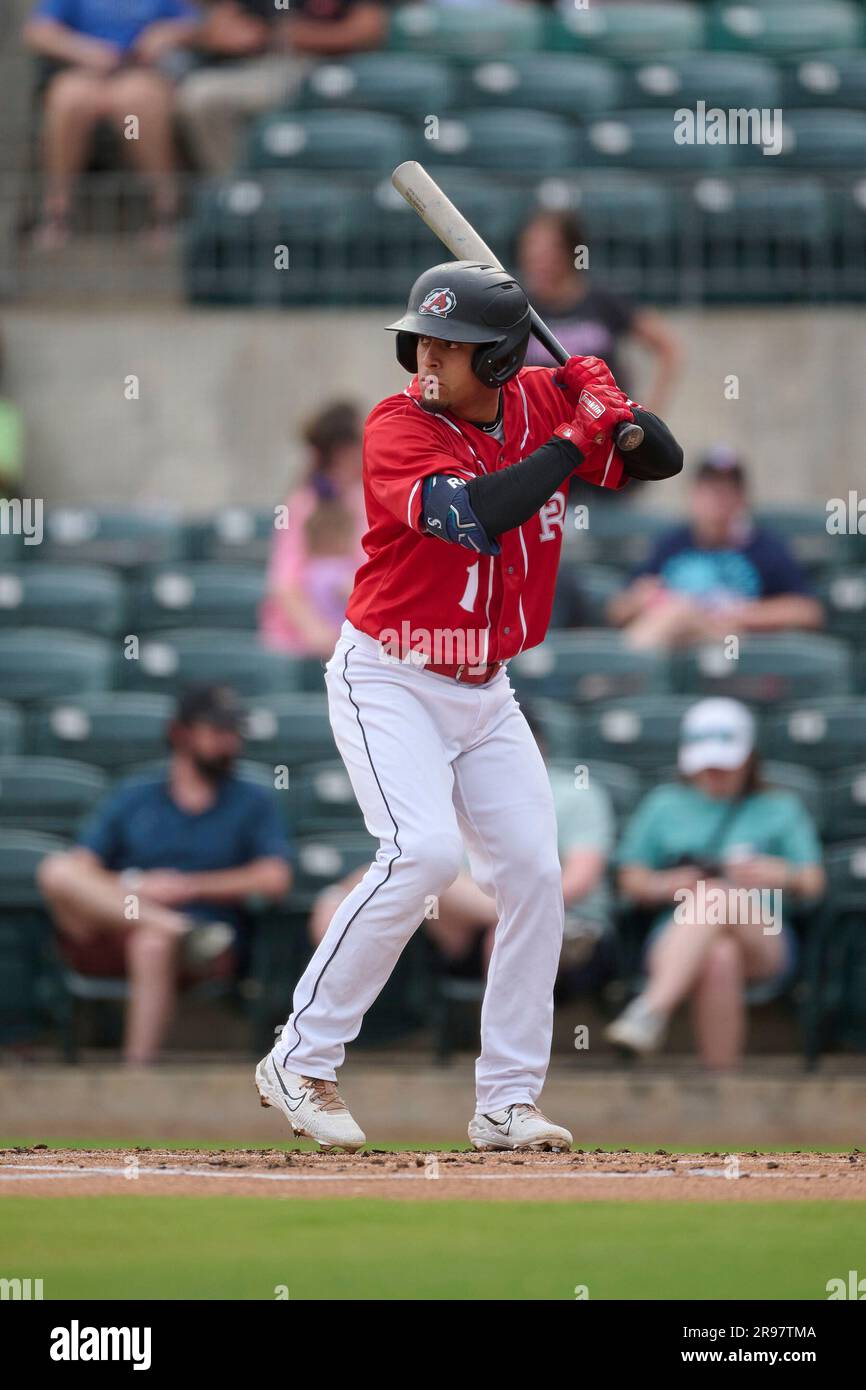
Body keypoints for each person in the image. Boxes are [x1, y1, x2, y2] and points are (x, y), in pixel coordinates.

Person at [255, 258, 682, 1152]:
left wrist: (619, 409)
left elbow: (662, 465)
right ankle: (301, 1057)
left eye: (450, 348)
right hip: (390, 676)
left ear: (496, 361)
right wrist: (577, 434)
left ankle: (507, 1100)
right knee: (423, 853)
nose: (426, 359)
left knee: (533, 875)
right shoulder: (395, 424)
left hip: (486, 690)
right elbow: (475, 516)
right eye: (424, 341)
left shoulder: (538, 397)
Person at [38, 685, 293, 1066]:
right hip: (117, 919)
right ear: (181, 733)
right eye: (218, 731)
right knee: (55, 870)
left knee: (151, 942)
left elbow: (275, 878)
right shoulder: (135, 796)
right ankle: (176, 927)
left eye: (234, 732)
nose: (231, 743)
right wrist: (136, 887)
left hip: (207, 941)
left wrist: (189, 886)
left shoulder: (253, 801)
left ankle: (136, 1079)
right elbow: (80, 866)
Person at [605, 698, 825, 1070]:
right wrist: (668, 884)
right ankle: (721, 1089)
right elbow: (630, 879)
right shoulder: (664, 804)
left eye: (725, 763)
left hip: (764, 930)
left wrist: (780, 874)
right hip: (674, 935)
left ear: (749, 758)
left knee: (719, 894)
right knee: (720, 957)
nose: (714, 773)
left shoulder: (780, 807)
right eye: (706, 764)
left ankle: (651, 1009)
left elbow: (814, 881)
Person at [23, 0, 201, 249]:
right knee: (69, 100)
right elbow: (38, 31)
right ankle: (57, 213)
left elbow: (196, 24)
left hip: (139, 74)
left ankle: (165, 211)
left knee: (134, 106)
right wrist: (85, 51)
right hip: (83, 72)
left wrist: (165, 34)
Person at [608, 447, 825, 648]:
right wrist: (642, 599)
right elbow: (617, 610)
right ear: (693, 495)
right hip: (676, 649)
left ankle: (617, 678)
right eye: (710, 491)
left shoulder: (764, 547)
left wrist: (740, 614)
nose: (717, 502)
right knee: (676, 613)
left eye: (726, 492)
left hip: (736, 648)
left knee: (679, 614)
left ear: (742, 499)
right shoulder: (671, 543)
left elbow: (807, 612)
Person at [177, 0, 390, 174]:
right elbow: (221, 29)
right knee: (199, 94)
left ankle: (241, 196)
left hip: (331, 66)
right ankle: (233, 197)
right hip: (259, 65)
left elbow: (368, 30)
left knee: (207, 95)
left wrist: (286, 36)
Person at [518, 208, 681, 415]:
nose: (536, 259)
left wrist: (649, 416)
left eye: (548, 251)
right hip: (547, 437)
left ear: (570, 251)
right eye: (530, 248)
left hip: (607, 432)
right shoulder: (518, 309)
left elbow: (667, 347)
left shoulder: (602, 300)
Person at [260, 399, 366, 657]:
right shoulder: (300, 504)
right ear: (344, 451)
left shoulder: (365, 501)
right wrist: (317, 633)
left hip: (354, 638)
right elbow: (284, 583)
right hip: (300, 647)